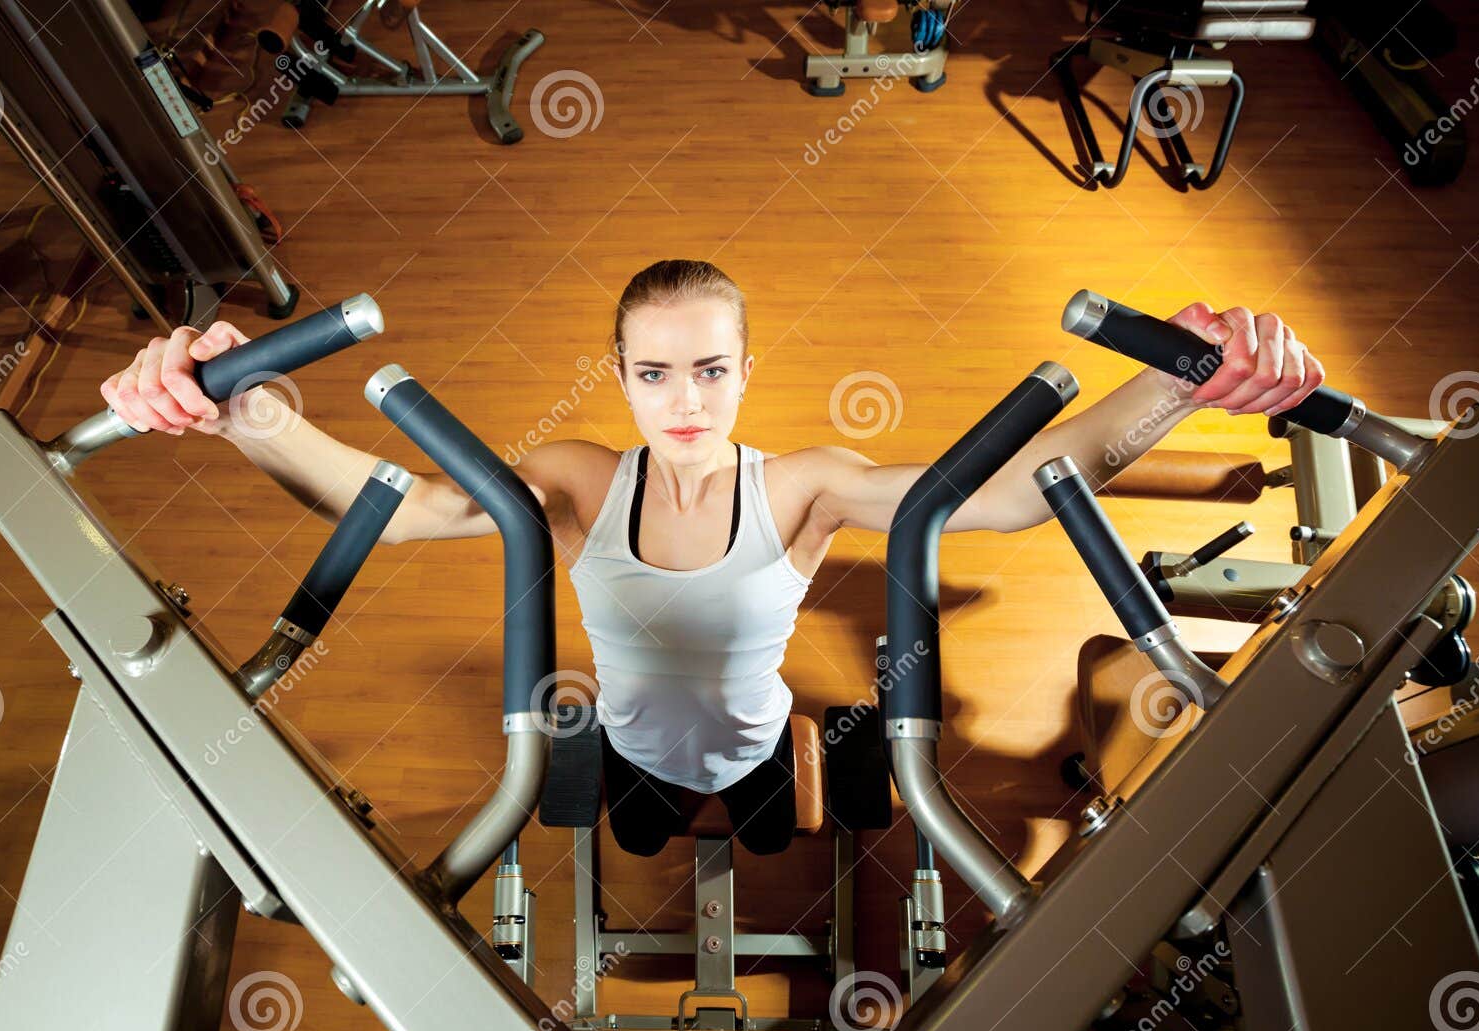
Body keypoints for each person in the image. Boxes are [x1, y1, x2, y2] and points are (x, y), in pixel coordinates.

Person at [99, 259, 1324, 858]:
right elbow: (403, 506)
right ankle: (649, 800)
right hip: (626, 743)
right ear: (621, 375)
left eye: (710, 368)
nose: (683, 398)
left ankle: (758, 798)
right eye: (652, 372)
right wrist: (243, 411)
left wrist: (1177, 382)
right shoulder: (579, 480)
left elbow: (1004, 500)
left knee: (764, 828)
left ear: (744, 369)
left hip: (754, 739)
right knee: (635, 830)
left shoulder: (799, 487)